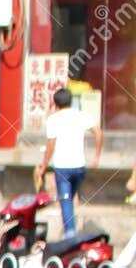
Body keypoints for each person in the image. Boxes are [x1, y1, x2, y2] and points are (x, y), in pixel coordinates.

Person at [35, 86, 103, 235]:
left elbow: (51, 145)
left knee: (65, 201)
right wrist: (96, 156)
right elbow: (98, 132)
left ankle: (70, 234)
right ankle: (68, 228)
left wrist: (44, 165)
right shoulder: (81, 115)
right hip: (79, 166)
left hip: (63, 167)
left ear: (56, 104)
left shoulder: (54, 119)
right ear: (71, 101)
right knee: (69, 201)